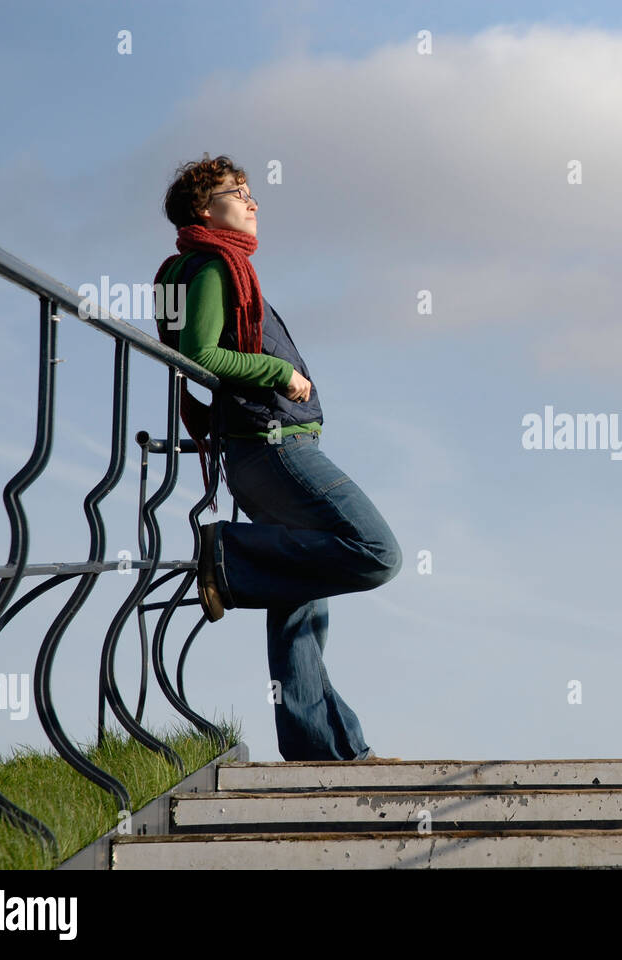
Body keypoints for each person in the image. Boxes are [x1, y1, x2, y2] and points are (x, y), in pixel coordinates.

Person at [152, 153, 402, 762]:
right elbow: (203, 356)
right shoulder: (213, 266)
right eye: (238, 192)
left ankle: (326, 752)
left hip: (261, 451)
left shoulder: (207, 267)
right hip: (272, 448)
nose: (253, 200)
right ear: (203, 211)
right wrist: (277, 371)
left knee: (297, 606)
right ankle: (227, 555)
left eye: (250, 191)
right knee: (376, 554)